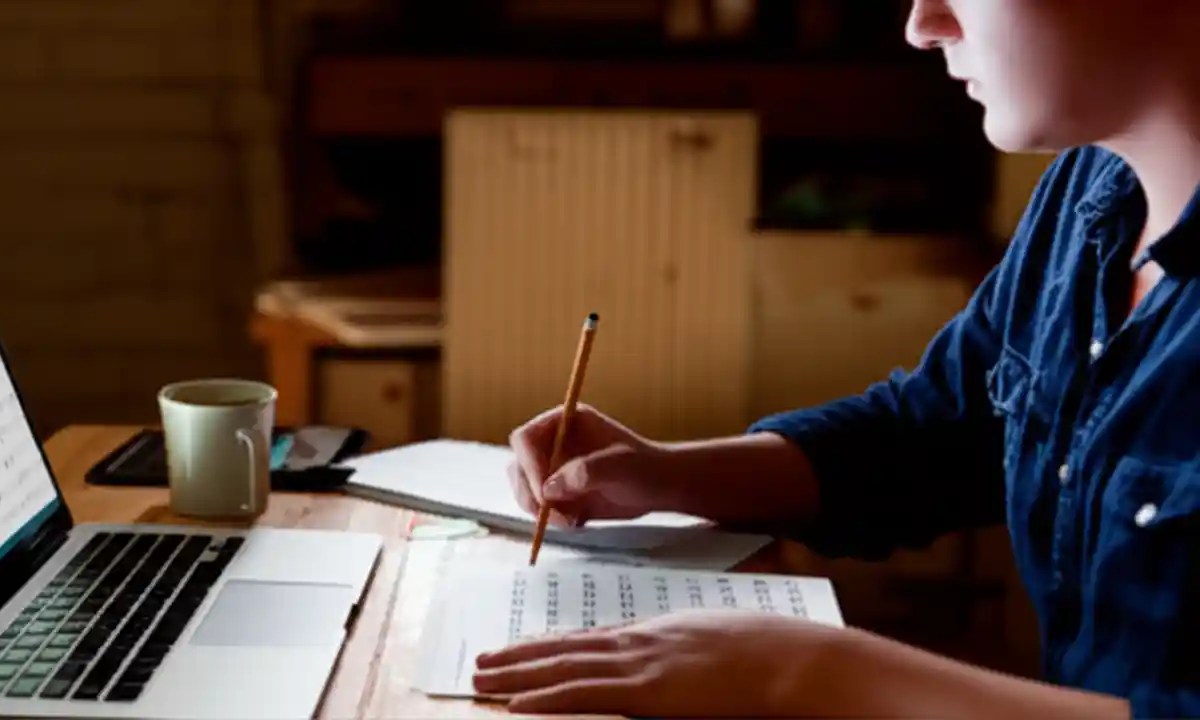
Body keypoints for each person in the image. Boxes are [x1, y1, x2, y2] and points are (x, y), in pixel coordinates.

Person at [473, 0, 1200, 716]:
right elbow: (937, 432)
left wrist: (812, 671)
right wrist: (669, 472)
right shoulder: (1090, 191)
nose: (924, 24)